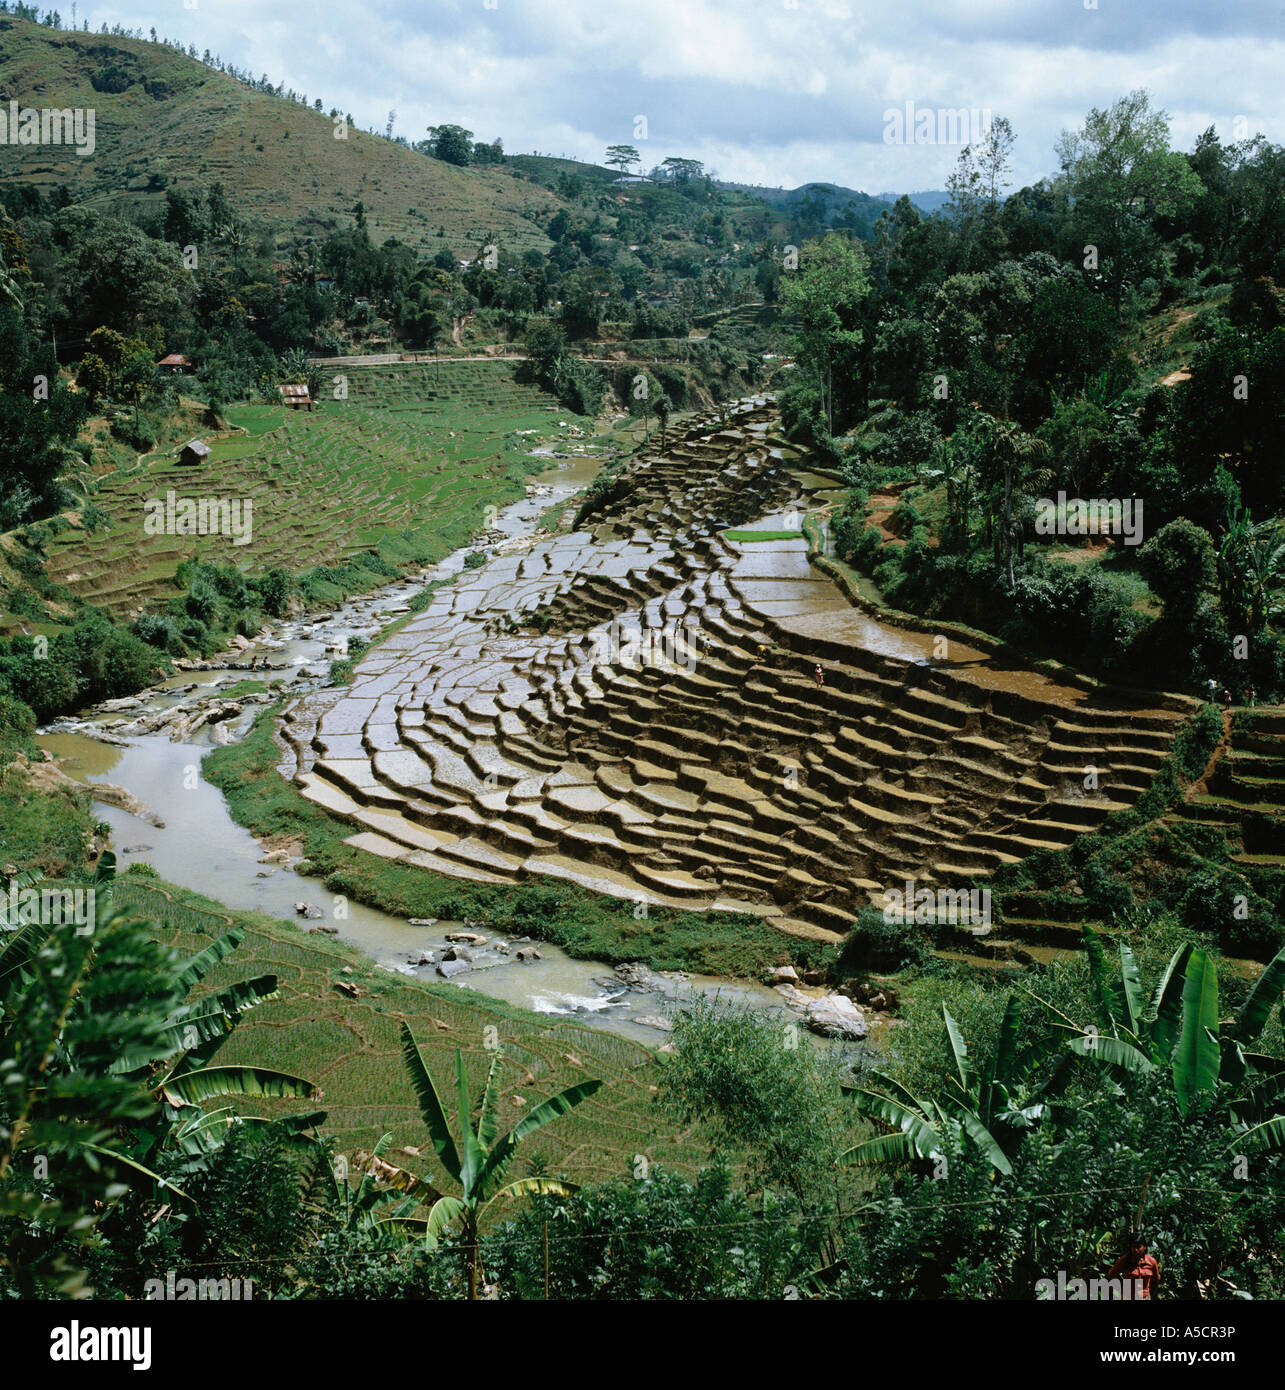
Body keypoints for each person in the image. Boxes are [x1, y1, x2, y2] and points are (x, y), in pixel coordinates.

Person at [1107, 1234, 1159, 1300]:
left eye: (1139, 1247)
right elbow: (1111, 1275)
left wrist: (1149, 1293)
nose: (1136, 1250)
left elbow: (1156, 1279)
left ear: (1144, 1247)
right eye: (1133, 1247)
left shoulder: (1151, 1262)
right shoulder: (1124, 1260)